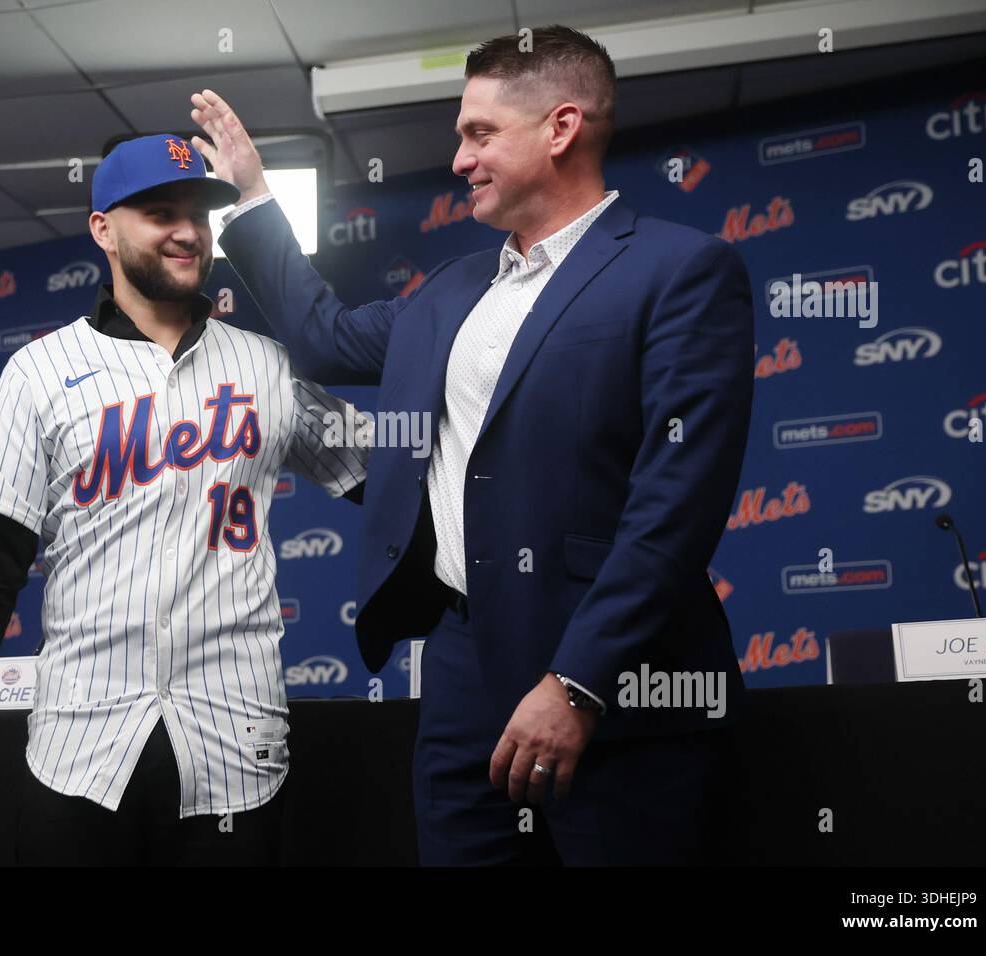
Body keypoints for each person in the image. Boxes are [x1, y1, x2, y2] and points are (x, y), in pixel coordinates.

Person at [190, 24, 755, 865]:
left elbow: (674, 508)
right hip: (459, 678)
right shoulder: (450, 290)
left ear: (560, 129)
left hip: (620, 687)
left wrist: (578, 682)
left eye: (479, 133)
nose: (459, 159)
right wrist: (252, 194)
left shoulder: (682, 271)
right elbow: (323, 339)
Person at [0, 133, 370, 865]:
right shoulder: (39, 372)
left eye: (197, 213)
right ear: (103, 228)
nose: (188, 231)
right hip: (81, 744)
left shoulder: (265, 366)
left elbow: (379, 484)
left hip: (237, 745)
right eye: (160, 212)